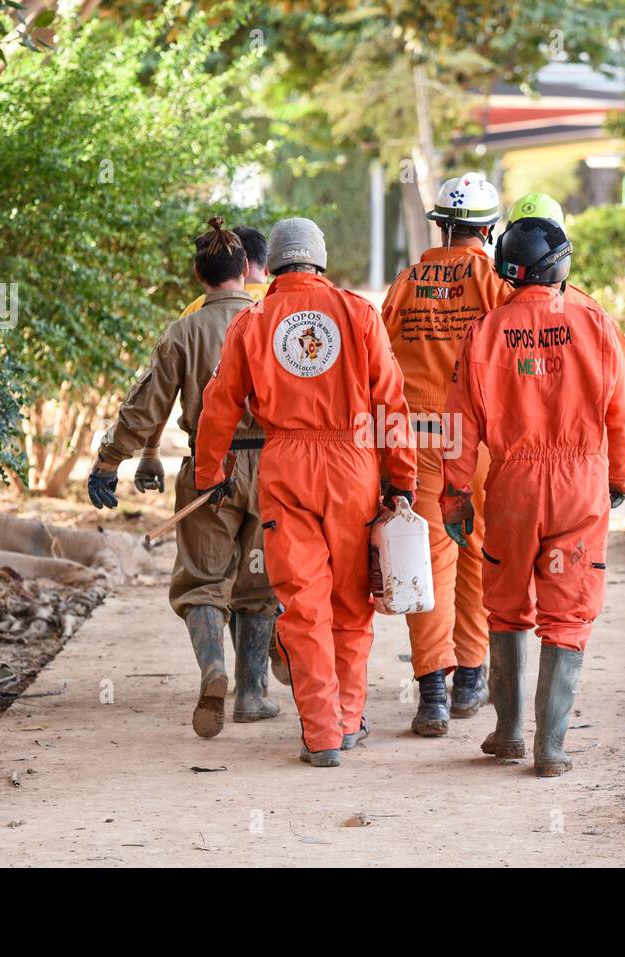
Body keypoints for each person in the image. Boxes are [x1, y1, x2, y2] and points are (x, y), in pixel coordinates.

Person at [194, 218, 416, 768]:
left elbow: (219, 403)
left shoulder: (253, 319)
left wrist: (209, 475)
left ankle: (320, 737)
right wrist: (402, 478)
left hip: (286, 466)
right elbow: (391, 400)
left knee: (302, 605)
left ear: (268, 266)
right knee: (351, 602)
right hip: (353, 467)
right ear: (321, 261)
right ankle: (348, 719)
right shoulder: (358, 312)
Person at [442, 215, 625, 778]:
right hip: (581, 484)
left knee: (505, 608)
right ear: (560, 265)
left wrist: (455, 495)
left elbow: (460, 424)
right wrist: (617, 478)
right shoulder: (594, 323)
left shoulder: (485, 331)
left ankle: (507, 733)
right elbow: (620, 411)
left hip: (512, 486)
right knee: (568, 613)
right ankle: (550, 747)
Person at [86, 216, 279, 740]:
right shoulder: (274, 320)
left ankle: (213, 669)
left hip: (211, 472)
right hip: (277, 472)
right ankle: (254, 694)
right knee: (261, 585)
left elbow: (146, 407)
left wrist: (111, 460)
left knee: (203, 584)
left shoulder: (184, 330)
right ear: (247, 268)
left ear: (199, 274)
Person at [380, 171, 508, 737]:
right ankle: (471, 680)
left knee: (428, 560)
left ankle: (432, 692)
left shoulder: (406, 282)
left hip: (420, 441)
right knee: (477, 551)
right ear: (489, 229)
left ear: (441, 224)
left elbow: (377, 362)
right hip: (478, 444)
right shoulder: (494, 280)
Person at [505, 193, 625, 441]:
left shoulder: (489, 302)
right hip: (575, 446)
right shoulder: (583, 309)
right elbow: (622, 356)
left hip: (508, 444)